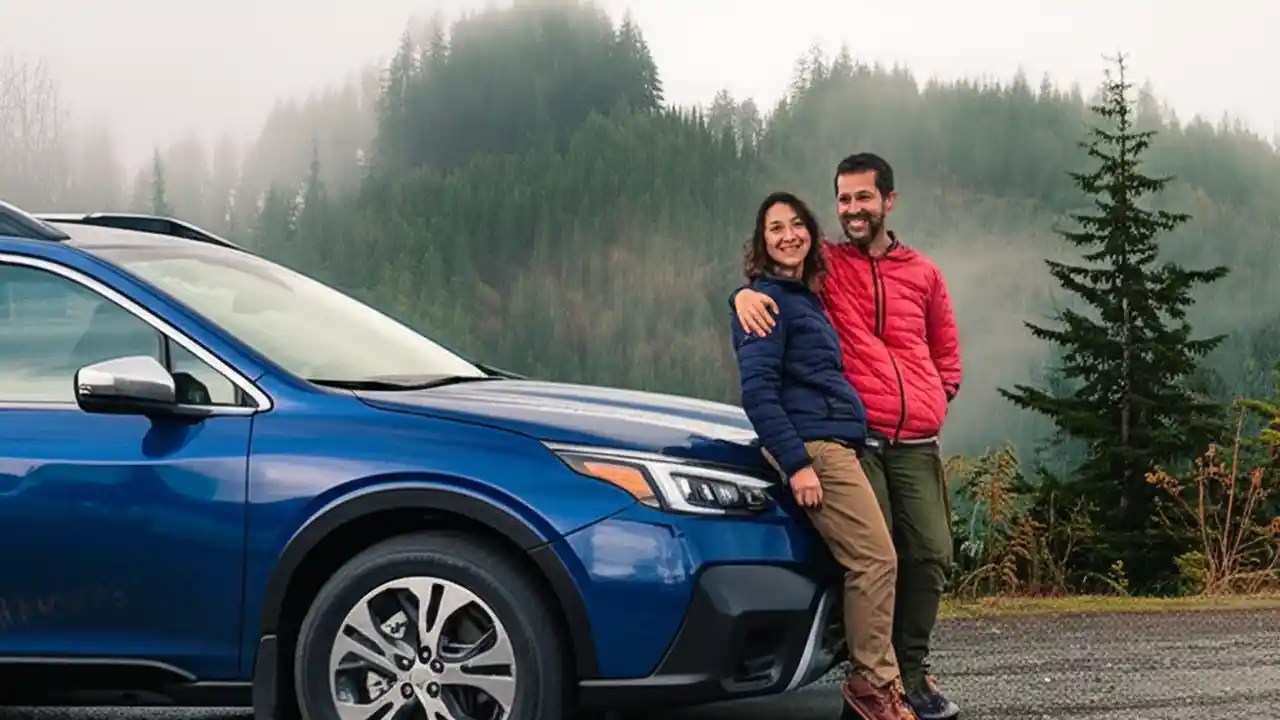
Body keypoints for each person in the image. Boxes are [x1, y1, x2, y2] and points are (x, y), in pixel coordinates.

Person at [733, 154, 962, 720]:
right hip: (858, 439)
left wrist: (937, 394)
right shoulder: (827, 266)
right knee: (876, 557)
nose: (853, 209)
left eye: (864, 197)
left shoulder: (923, 272)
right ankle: (878, 682)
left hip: (914, 438)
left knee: (931, 554)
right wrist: (740, 295)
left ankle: (910, 672)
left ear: (889, 200)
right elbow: (770, 286)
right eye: (844, 199)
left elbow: (946, 349)